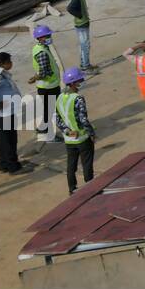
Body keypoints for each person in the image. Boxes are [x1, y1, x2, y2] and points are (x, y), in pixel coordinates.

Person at [0, 53, 28, 173]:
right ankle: (13, 166)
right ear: (2, 64)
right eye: (9, 61)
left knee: (3, 140)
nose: (11, 63)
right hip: (5, 113)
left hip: (4, 112)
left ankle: (4, 164)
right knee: (10, 140)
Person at [57, 67, 95, 195]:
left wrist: (67, 132)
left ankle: (72, 189)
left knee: (71, 165)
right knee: (87, 164)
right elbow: (83, 119)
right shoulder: (78, 98)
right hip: (83, 139)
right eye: (79, 80)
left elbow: (57, 119)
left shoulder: (59, 98)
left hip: (69, 140)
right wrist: (91, 133)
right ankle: (90, 187)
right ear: (73, 83)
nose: (81, 81)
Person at [28, 24, 62, 140]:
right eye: (46, 36)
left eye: (49, 35)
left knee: (49, 110)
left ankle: (43, 128)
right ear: (39, 38)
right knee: (53, 110)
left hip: (48, 86)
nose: (49, 37)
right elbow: (43, 72)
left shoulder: (40, 48)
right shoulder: (41, 52)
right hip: (49, 86)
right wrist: (36, 77)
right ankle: (50, 134)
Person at [67, 0, 94, 74]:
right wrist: (79, 16)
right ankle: (85, 67)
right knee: (85, 45)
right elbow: (69, 8)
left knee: (84, 45)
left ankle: (85, 64)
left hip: (83, 24)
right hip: (81, 25)